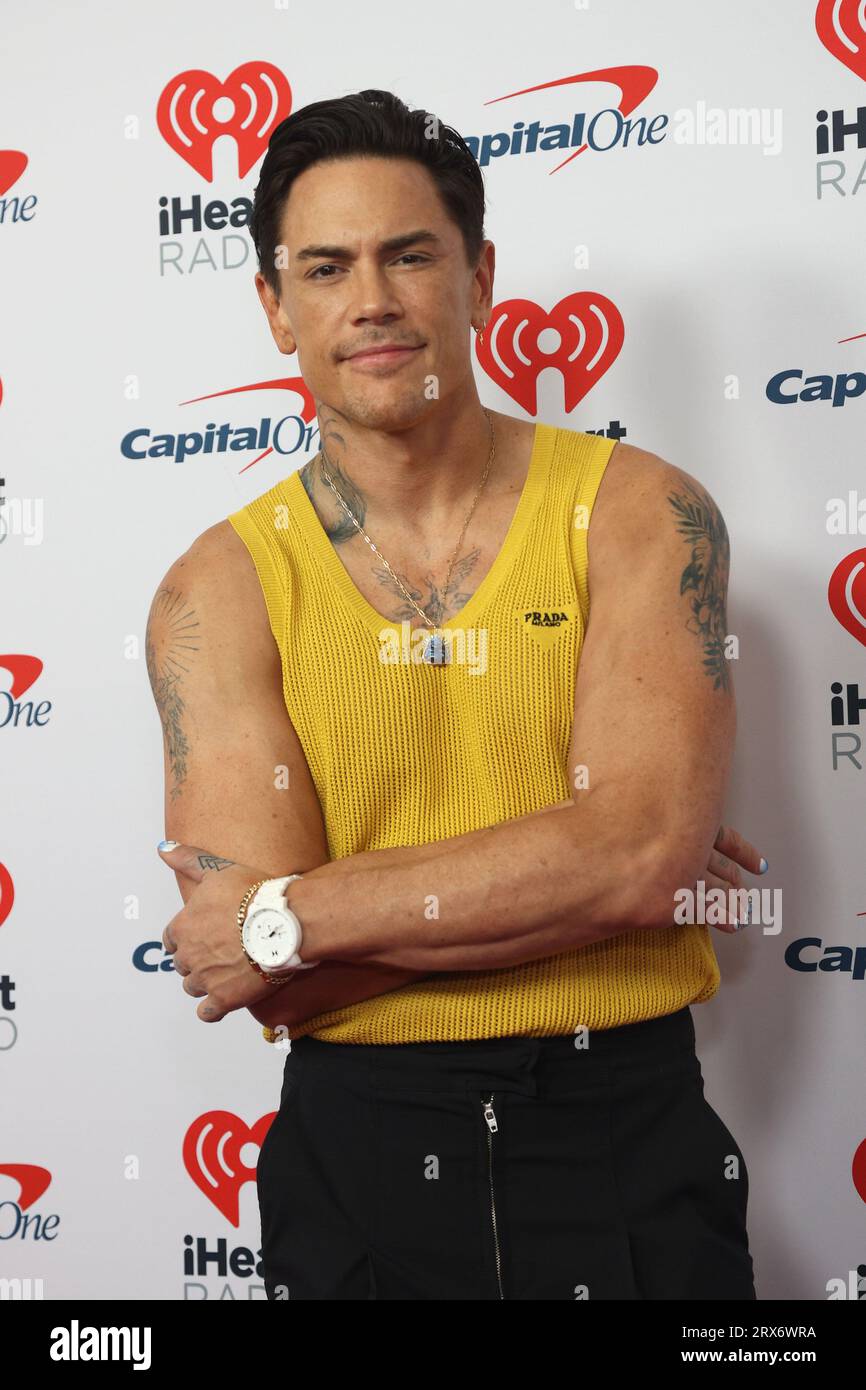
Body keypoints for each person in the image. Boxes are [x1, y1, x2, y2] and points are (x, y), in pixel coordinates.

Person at [147, 89, 767, 1301]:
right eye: (324, 267)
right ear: (274, 307)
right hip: (356, 1165)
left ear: (479, 277)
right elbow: (261, 978)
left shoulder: (641, 512)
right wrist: (586, 875)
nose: (370, 300)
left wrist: (288, 914)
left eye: (409, 255)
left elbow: (635, 859)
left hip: (626, 1135)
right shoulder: (215, 590)